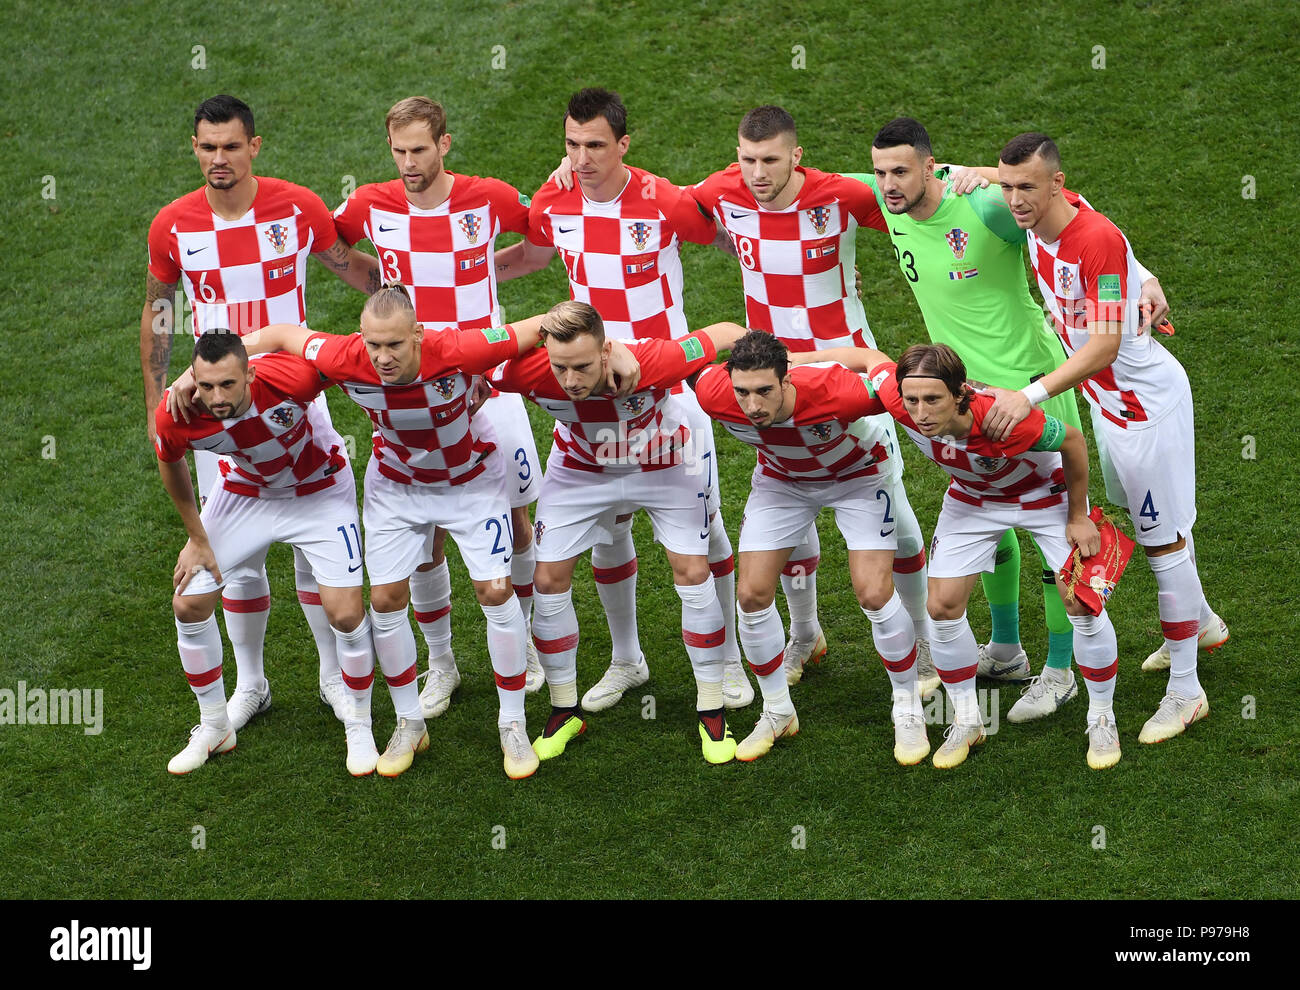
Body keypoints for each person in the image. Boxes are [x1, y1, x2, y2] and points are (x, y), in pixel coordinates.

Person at [851, 118, 1177, 721]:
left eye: (901, 171)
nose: (889, 184)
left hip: (1030, 383)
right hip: (961, 391)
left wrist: (1143, 274)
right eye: (881, 173)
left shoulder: (986, 207)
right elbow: (800, 192)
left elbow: (1070, 210)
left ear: (929, 167)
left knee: (1056, 527)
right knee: (988, 509)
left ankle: (1061, 670)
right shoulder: (884, 195)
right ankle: (1005, 649)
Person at [494, 88, 753, 713]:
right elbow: (533, 253)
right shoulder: (553, 199)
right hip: (592, 390)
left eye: (595, 146)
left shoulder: (663, 199)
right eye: (571, 146)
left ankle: (729, 660)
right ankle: (627, 660)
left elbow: (724, 238)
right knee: (609, 536)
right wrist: (456, 272)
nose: (581, 159)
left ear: (624, 145)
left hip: (665, 385)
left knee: (708, 535)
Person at [223, 286, 548, 779]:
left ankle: (513, 724)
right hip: (396, 486)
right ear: (361, 337)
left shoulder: (459, 348)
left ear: (418, 334)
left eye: (395, 344)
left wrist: (611, 350)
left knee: (495, 591)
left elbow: (540, 325)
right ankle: (409, 723)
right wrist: (196, 372)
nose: (383, 357)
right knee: (385, 600)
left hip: (469, 480)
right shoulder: (345, 356)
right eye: (373, 344)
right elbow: (284, 334)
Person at [141, 95, 381, 733]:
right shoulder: (172, 226)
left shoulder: (297, 207)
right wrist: (157, 399)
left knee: (311, 544)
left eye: (230, 146)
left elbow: (351, 268)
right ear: (195, 148)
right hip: (218, 407)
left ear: (254, 146)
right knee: (233, 561)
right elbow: (159, 310)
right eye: (207, 147)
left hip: (292, 396)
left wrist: (414, 306)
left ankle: (333, 678)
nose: (218, 158)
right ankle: (252, 685)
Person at [982, 132, 1223, 744]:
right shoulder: (1045, 214)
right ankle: (1202, 623)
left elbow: (1105, 345)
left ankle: (1187, 690)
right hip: (1109, 408)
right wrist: (956, 171)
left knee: (1162, 545)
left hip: (1145, 412)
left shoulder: (1094, 240)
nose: (1014, 200)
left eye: (1026, 188)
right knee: (1158, 527)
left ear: (1057, 186)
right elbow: (1011, 178)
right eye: (1007, 187)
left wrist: (1030, 395)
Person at [686, 106, 935, 695]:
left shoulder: (843, 194)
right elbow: (667, 208)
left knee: (893, 511)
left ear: (796, 156)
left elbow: (921, 199)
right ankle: (805, 634)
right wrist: (568, 171)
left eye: (771, 160)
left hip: (847, 376)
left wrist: (977, 175)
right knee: (791, 491)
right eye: (748, 160)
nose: (757, 174)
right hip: (770, 382)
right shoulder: (723, 189)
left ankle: (925, 639)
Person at [332, 96, 545, 721]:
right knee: (422, 534)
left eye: (419, 150)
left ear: (444, 144)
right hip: (413, 389)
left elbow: (542, 244)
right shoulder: (370, 203)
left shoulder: (489, 197)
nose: (408, 163)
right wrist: (379, 289)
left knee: (517, 520)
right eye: (398, 151)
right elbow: (332, 248)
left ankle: (526, 640)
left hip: (488, 382)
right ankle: (443, 662)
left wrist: (485, 270)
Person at [819, 343, 1122, 769]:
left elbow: (1072, 441)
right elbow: (868, 357)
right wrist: (791, 361)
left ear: (960, 393)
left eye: (932, 400)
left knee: (1082, 604)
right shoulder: (901, 400)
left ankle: (1102, 717)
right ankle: (968, 720)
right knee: (941, 607)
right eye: (912, 401)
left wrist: (1078, 515)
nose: (920, 413)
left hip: (1044, 495)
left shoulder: (1001, 419)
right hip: (973, 500)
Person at [486, 301, 747, 765]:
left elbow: (728, 331)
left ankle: (711, 711)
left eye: (583, 367)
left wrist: (790, 368)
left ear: (605, 352)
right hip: (581, 471)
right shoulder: (525, 371)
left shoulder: (657, 359)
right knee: (547, 580)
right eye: (560, 367)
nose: (570, 380)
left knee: (692, 571)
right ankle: (564, 711)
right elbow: (469, 357)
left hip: (663, 464)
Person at [691, 331, 928, 765]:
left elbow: (899, 385)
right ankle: (778, 712)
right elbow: (671, 359)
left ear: (787, 380)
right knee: (751, 596)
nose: (752, 405)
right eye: (743, 392)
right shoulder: (712, 392)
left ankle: (908, 707)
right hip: (783, 481)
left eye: (765, 391)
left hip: (859, 477)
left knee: (874, 593)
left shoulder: (840, 391)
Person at [156, 332, 379, 776]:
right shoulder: (178, 411)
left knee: (346, 614)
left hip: (319, 489)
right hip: (245, 492)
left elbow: (361, 357)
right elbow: (170, 460)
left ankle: (360, 723)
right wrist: (197, 538)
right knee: (188, 602)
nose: (217, 398)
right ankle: (215, 725)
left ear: (251, 374)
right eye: (206, 385)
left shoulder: (293, 377)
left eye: (228, 384)